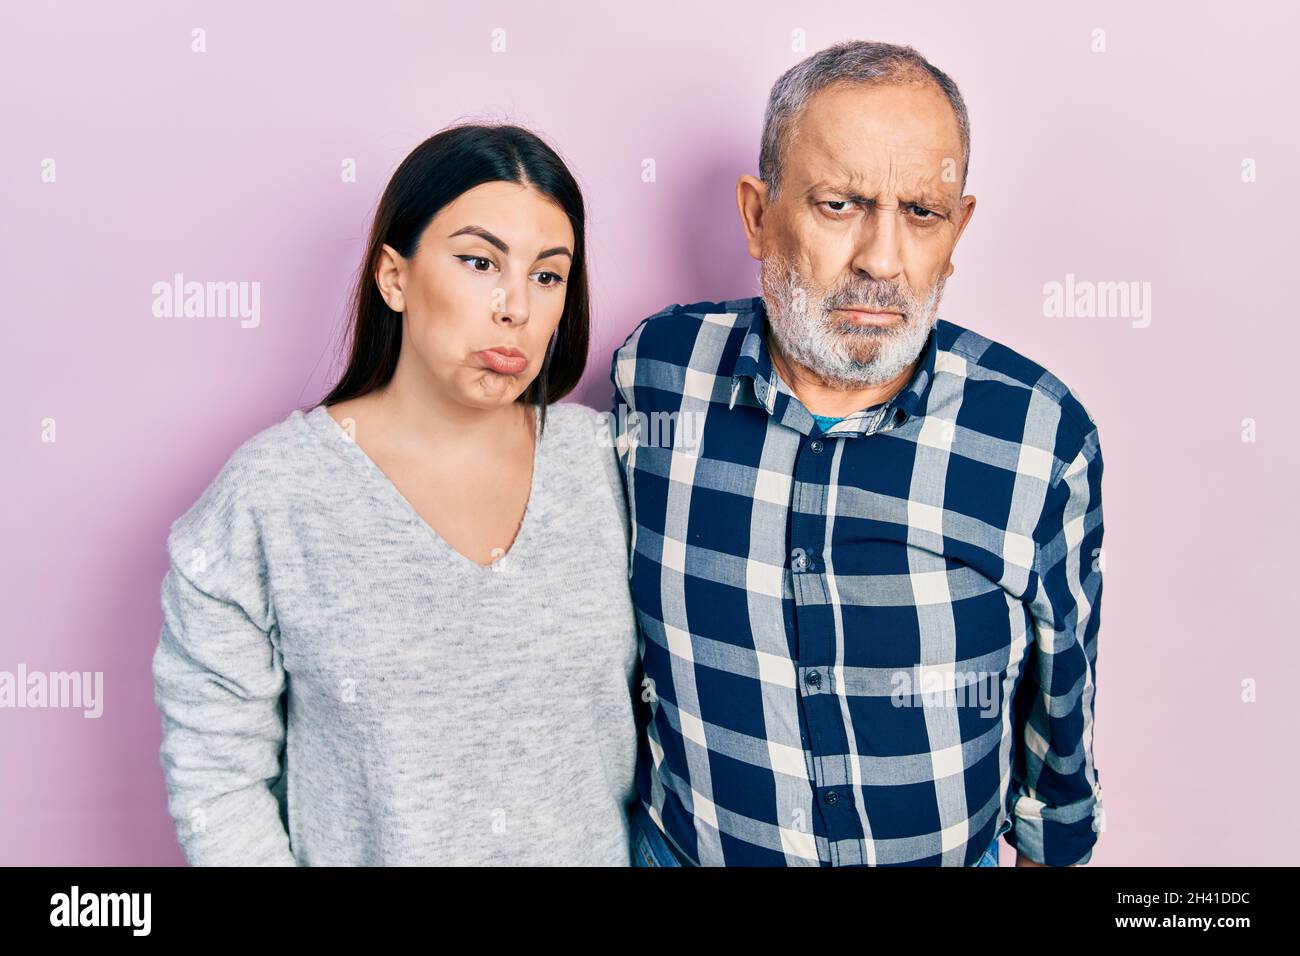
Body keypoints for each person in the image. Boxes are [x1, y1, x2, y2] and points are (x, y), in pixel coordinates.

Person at [613, 40, 1103, 867]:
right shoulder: (655, 376)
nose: (881, 260)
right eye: (840, 204)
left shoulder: (1038, 435)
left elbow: (1064, 701)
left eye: (922, 213)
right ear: (757, 216)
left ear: (958, 232)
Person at [153, 123, 640, 865]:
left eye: (548, 275)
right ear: (394, 277)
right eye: (480, 261)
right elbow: (218, 784)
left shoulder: (609, 466)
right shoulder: (272, 496)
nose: (516, 307)